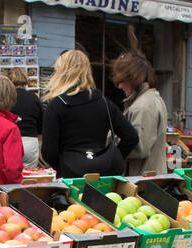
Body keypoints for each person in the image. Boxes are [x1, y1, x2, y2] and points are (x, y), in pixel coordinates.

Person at [40, 49, 138, 177]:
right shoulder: (104, 103)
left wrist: (63, 165)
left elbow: (48, 152)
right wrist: (112, 158)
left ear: (61, 72)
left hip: (69, 176)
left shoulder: (56, 105)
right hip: (102, 174)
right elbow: (131, 136)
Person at [111, 51, 168, 175]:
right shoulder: (153, 99)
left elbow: (139, 147)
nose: (120, 86)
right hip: (151, 178)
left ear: (133, 79)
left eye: (123, 80)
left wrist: (110, 142)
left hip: (141, 180)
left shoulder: (142, 107)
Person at [8, 67, 42, 168]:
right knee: (29, 178)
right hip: (31, 141)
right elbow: (41, 126)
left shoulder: (7, 98)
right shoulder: (34, 98)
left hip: (11, 141)